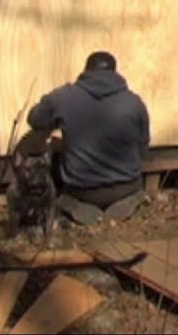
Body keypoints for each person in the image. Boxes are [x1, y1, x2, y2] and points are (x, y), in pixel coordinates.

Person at [26, 50, 151, 225]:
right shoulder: (134, 102)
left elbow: (35, 119)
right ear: (115, 73)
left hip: (83, 191)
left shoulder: (64, 96)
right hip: (126, 187)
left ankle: (79, 207)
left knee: (59, 167)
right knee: (130, 191)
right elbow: (143, 149)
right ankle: (126, 204)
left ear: (86, 71)